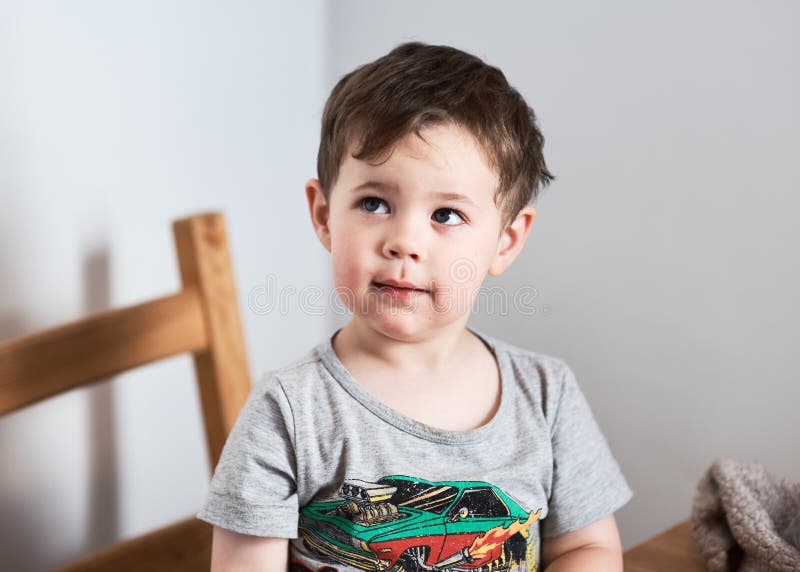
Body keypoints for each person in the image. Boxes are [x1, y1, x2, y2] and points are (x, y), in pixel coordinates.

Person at [197, 41, 633, 571]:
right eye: (374, 203)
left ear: (505, 240)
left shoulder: (546, 397)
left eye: (446, 215)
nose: (404, 241)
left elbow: (587, 548)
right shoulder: (289, 413)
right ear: (324, 215)